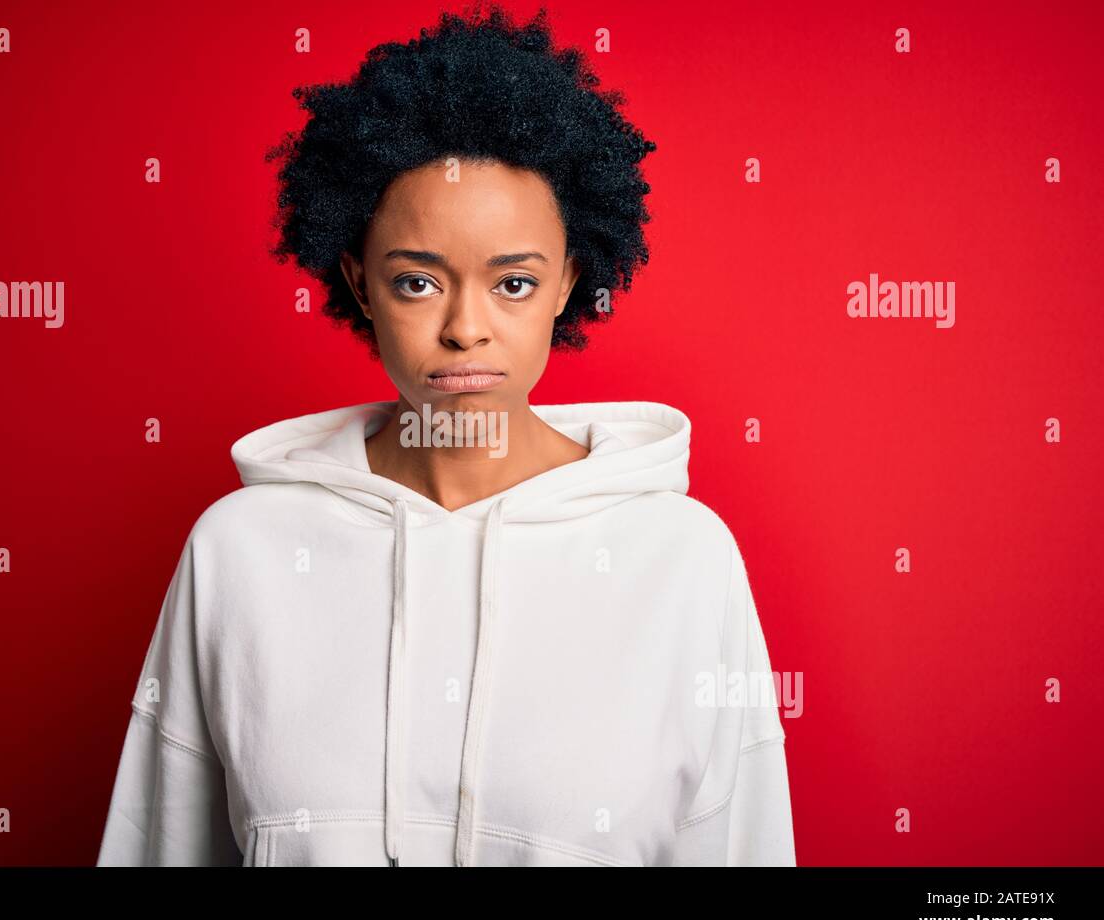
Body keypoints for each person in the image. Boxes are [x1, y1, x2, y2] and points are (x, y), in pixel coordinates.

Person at [96, 4, 795, 867]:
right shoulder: (237, 551)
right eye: (419, 281)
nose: (467, 328)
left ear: (571, 281)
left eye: (514, 282)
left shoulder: (684, 559)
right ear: (358, 280)